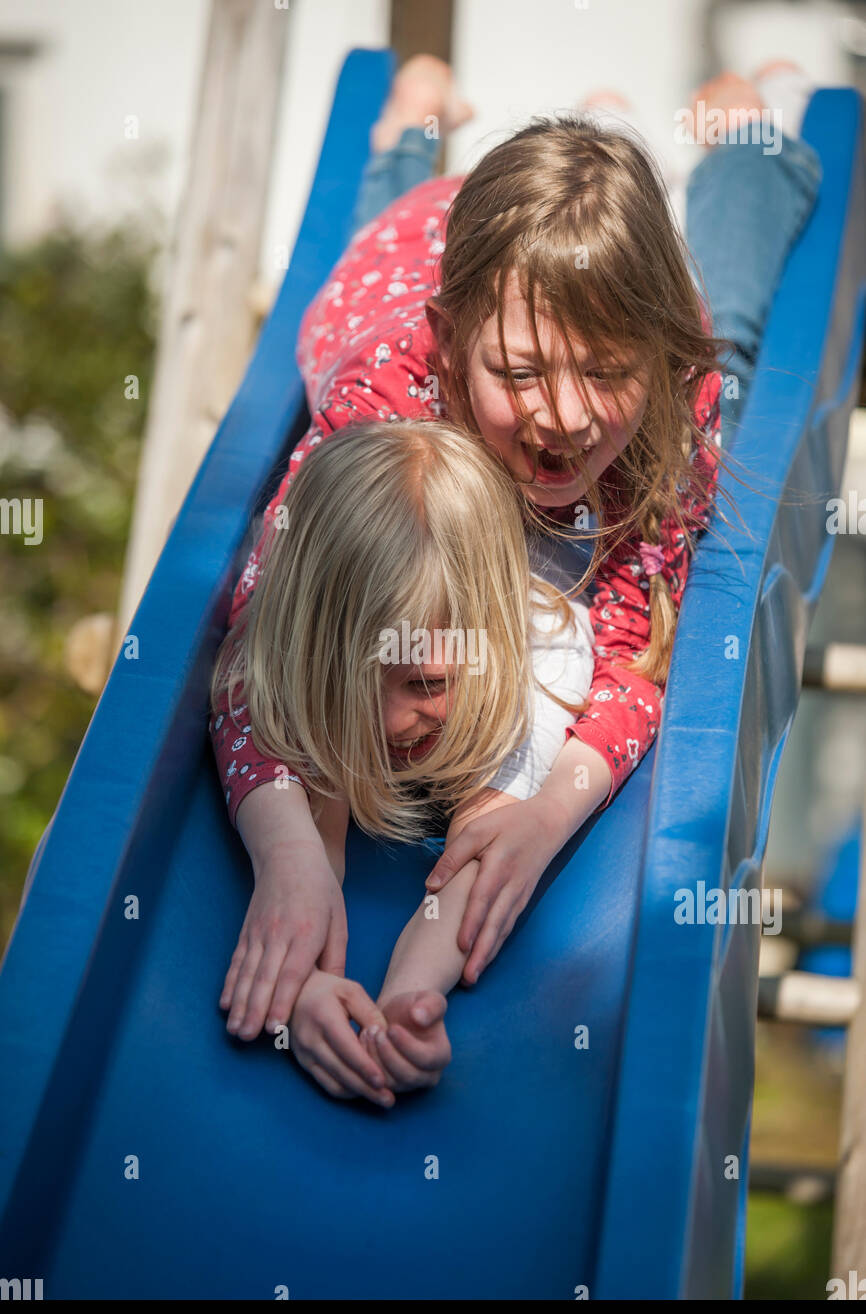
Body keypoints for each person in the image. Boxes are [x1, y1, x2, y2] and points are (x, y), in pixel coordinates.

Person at [213, 56, 818, 1098]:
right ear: (453, 351)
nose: (564, 415)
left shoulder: (662, 418)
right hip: (405, 256)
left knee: (735, 347)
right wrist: (290, 861)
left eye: (606, 374)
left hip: (568, 289)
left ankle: (740, 149)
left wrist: (536, 820)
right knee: (386, 246)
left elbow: (635, 651)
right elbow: (269, 643)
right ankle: (413, 128)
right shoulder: (380, 410)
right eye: (520, 373)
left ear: (658, 368)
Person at [212, 415, 595, 1104]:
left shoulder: (543, 655)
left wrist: (406, 1003)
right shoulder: (309, 634)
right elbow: (312, 848)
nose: (390, 719)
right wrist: (301, 989)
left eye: (427, 683)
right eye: (362, 680)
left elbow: (482, 854)